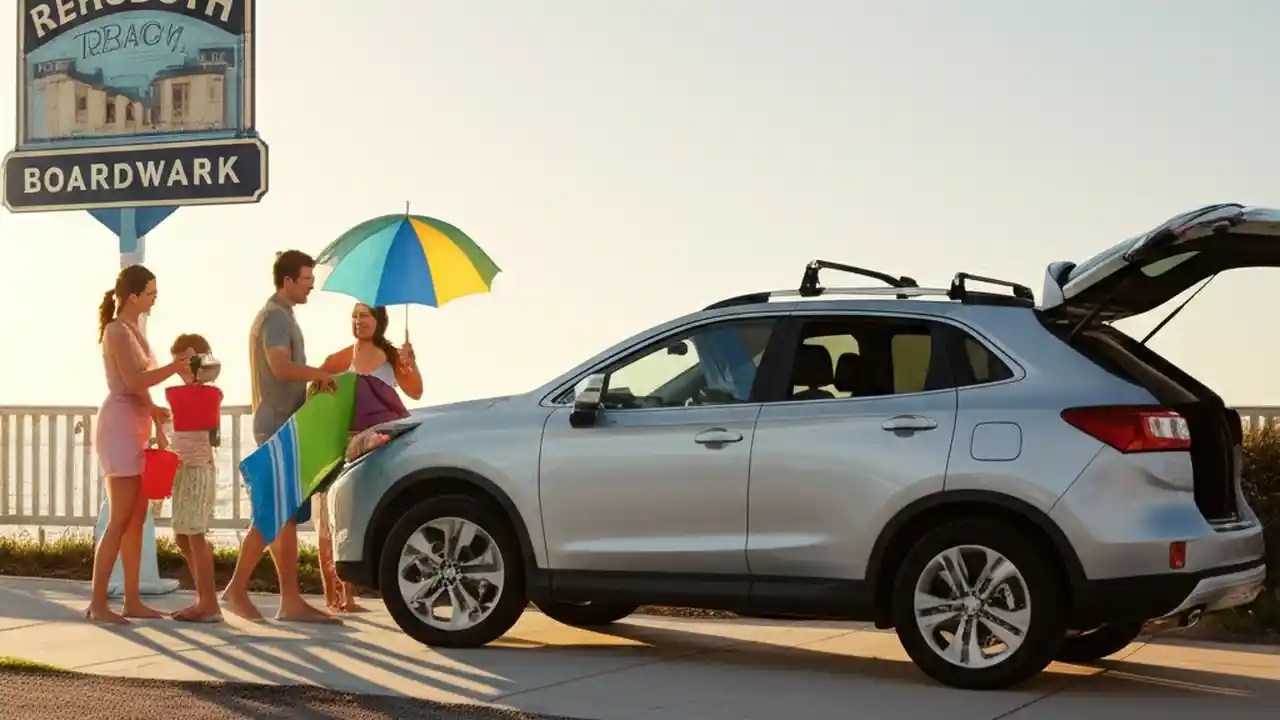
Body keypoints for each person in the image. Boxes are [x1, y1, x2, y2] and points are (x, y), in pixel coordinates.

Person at [219, 250, 340, 624]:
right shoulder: (274, 318)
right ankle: (253, 594)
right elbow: (280, 367)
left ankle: (275, 597)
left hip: (283, 421)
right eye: (306, 280)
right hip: (275, 424)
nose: (311, 287)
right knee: (277, 514)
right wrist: (318, 374)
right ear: (288, 281)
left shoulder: (281, 316)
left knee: (278, 514)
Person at [88, 264, 192, 625]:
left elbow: (141, 388)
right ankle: (98, 603)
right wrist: (175, 368)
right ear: (133, 296)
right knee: (119, 518)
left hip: (136, 426)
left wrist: (155, 415)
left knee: (136, 518)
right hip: (118, 428)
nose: (154, 298)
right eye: (150, 292)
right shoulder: (117, 331)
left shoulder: (134, 330)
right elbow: (132, 380)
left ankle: (132, 600)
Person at [313, 303, 423, 611]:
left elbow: (415, 391)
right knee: (330, 517)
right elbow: (316, 384)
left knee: (360, 515)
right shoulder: (342, 356)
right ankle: (334, 595)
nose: (358, 321)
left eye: (365, 316)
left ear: (379, 320)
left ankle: (355, 594)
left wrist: (410, 363)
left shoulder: (391, 356)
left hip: (378, 445)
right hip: (343, 444)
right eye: (354, 315)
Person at [156, 334, 223, 623]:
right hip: (182, 468)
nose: (183, 367)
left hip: (198, 469)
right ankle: (203, 598)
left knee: (194, 534)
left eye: (188, 359)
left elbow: (203, 422)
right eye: (178, 361)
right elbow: (171, 434)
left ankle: (208, 604)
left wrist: (202, 368)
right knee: (182, 535)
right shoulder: (177, 396)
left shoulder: (209, 393)